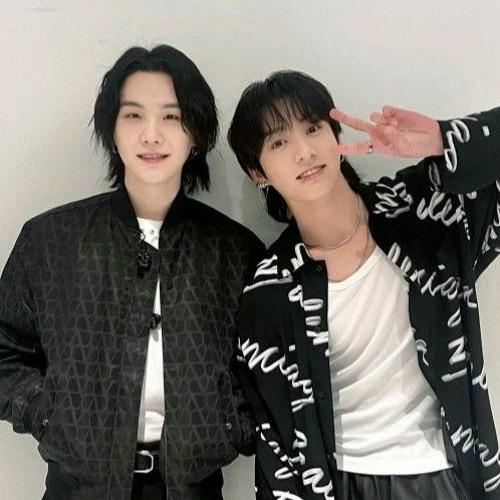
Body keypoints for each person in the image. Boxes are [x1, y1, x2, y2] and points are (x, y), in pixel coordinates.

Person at [0, 45, 262, 500]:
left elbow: (269, 369)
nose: (151, 135)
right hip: (77, 490)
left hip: (194, 491)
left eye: (172, 117)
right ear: (113, 131)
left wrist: (229, 424)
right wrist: (46, 412)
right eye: (134, 116)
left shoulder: (234, 252)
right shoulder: (51, 241)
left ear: (196, 135)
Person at [227, 70, 500, 499]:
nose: (304, 151)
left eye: (313, 128)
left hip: (444, 474)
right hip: (341, 485)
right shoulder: (268, 290)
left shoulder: (420, 212)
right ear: (257, 172)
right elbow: (276, 444)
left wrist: (443, 140)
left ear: (335, 133)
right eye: (278, 142)